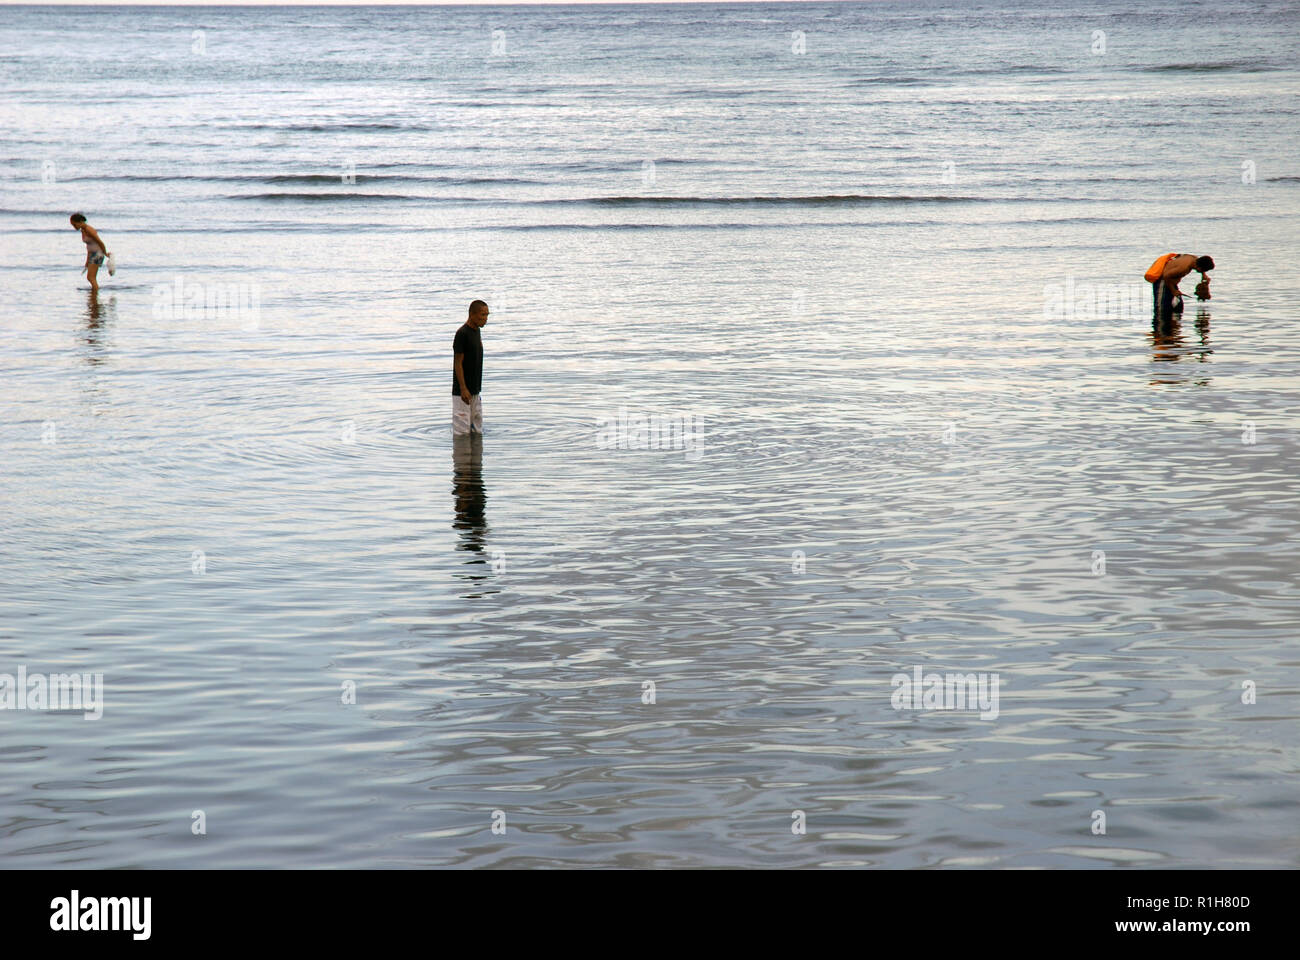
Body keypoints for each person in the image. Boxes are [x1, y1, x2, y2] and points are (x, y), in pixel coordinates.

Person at [452, 300, 488, 436]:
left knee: (477, 430)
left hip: (475, 391)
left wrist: (475, 390)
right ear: (472, 314)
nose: (485, 319)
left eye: (487, 315)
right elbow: (458, 362)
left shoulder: (477, 331)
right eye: (482, 315)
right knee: (462, 432)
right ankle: (462, 456)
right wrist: (463, 388)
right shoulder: (462, 333)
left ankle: (476, 456)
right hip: (462, 393)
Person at [1150, 253, 1214, 318]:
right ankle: (1159, 324)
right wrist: (1173, 291)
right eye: (1204, 270)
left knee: (1178, 307)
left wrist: (1204, 275)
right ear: (1199, 267)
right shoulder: (1183, 268)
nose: (1203, 272)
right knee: (1162, 308)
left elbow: (1200, 265)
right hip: (1162, 281)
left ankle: (1173, 325)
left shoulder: (1194, 259)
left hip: (1170, 282)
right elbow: (1166, 276)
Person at [70, 213, 111, 292]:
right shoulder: (83, 230)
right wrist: (87, 260)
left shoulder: (89, 229)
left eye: (75, 224)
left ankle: (95, 293)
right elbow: (88, 246)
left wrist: (105, 253)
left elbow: (100, 242)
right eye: (72, 225)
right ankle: (94, 292)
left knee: (91, 277)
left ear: (80, 222)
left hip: (98, 253)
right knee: (91, 277)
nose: (74, 227)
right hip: (92, 254)